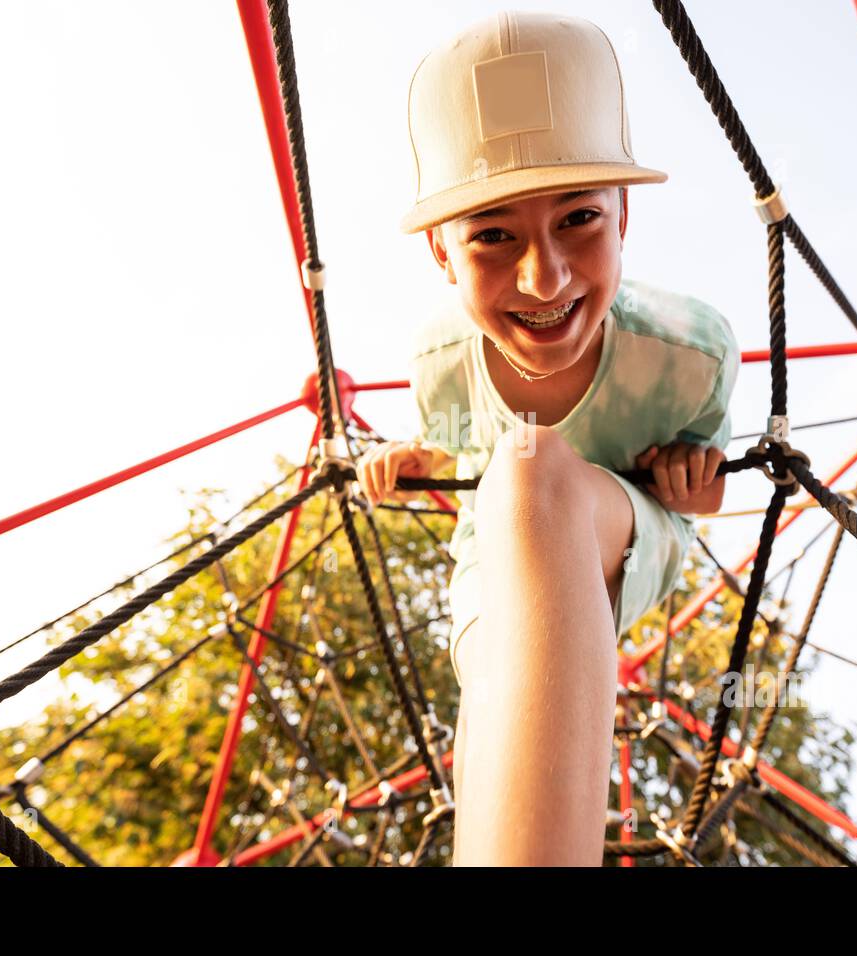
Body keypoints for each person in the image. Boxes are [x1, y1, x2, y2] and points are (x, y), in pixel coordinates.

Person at [355, 10, 740, 866]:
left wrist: (689, 476)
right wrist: (412, 461)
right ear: (441, 255)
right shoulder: (442, 362)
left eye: (578, 220)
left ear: (624, 214)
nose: (545, 276)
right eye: (493, 235)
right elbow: (450, 444)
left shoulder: (688, 354)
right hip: (490, 572)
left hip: (627, 539)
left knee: (532, 470)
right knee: (500, 667)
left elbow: (710, 493)